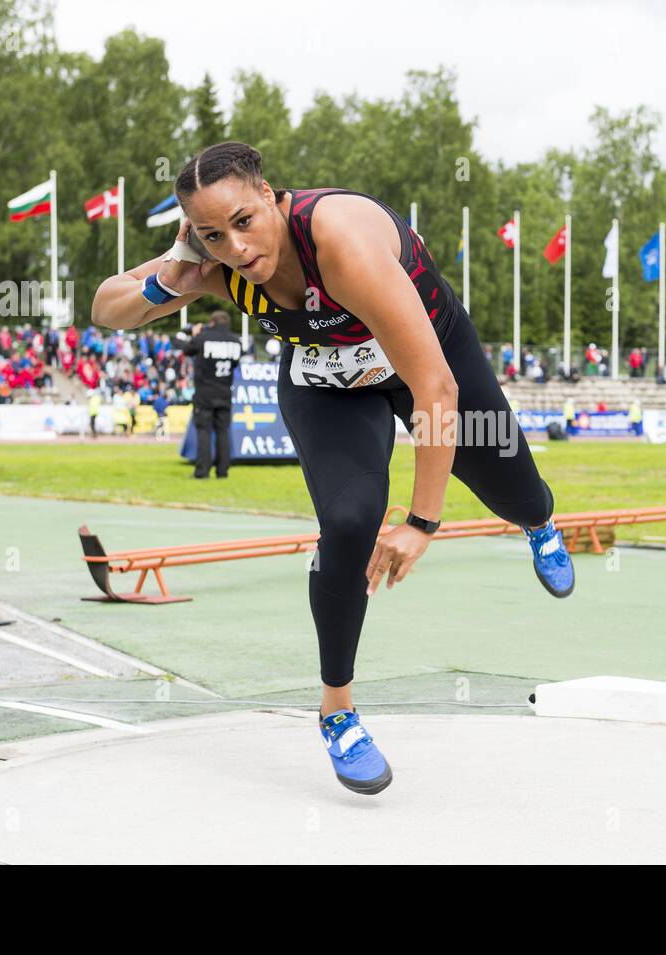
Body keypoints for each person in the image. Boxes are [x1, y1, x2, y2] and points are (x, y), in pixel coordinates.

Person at [90, 141, 573, 796]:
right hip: (327, 382)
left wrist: (422, 522)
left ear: (269, 194)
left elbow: (436, 387)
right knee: (347, 522)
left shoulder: (337, 241)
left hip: (423, 359)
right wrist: (174, 272)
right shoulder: (211, 264)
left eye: (242, 221)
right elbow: (105, 309)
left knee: (515, 488)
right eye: (211, 235)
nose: (234, 247)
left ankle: (540, 523)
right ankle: (337, 710)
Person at [178, 310, 241, 478]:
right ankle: (223, 470)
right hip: (225, 390)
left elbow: (186, 349)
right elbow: (235, 364)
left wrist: (195, 334)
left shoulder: (203, 338)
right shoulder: (236, 341)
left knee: (204, 431)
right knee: (223, 432)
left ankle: (202, 470)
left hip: (205, 391)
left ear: (211, 323)